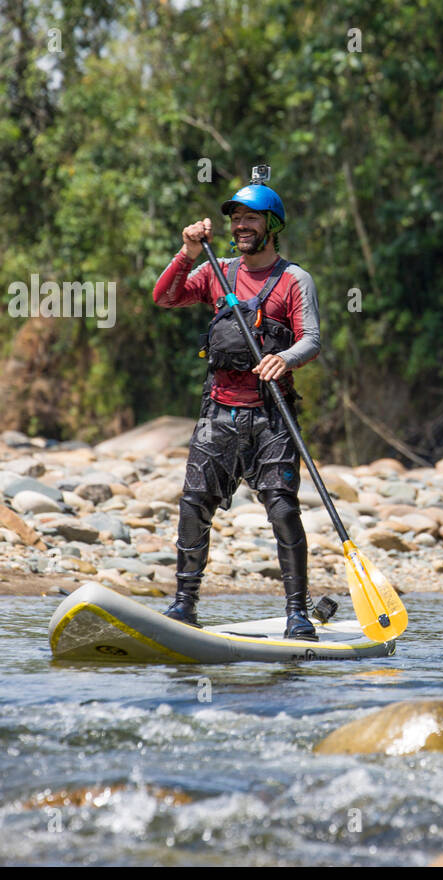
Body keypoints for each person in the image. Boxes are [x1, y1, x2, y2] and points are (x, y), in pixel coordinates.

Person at [151, 174, 322, 639]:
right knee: (194, 504)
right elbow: (164, 297)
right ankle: (184, 606)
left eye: (251, 218)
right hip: (219, 412)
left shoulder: (293, 280)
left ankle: (297, 613)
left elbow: (311, 340)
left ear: (272, 225)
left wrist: (283, 359)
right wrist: (186, 252)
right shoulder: (215, 270)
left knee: (284, 509)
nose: (242, 225)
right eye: (237, 218)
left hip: (272, 416)